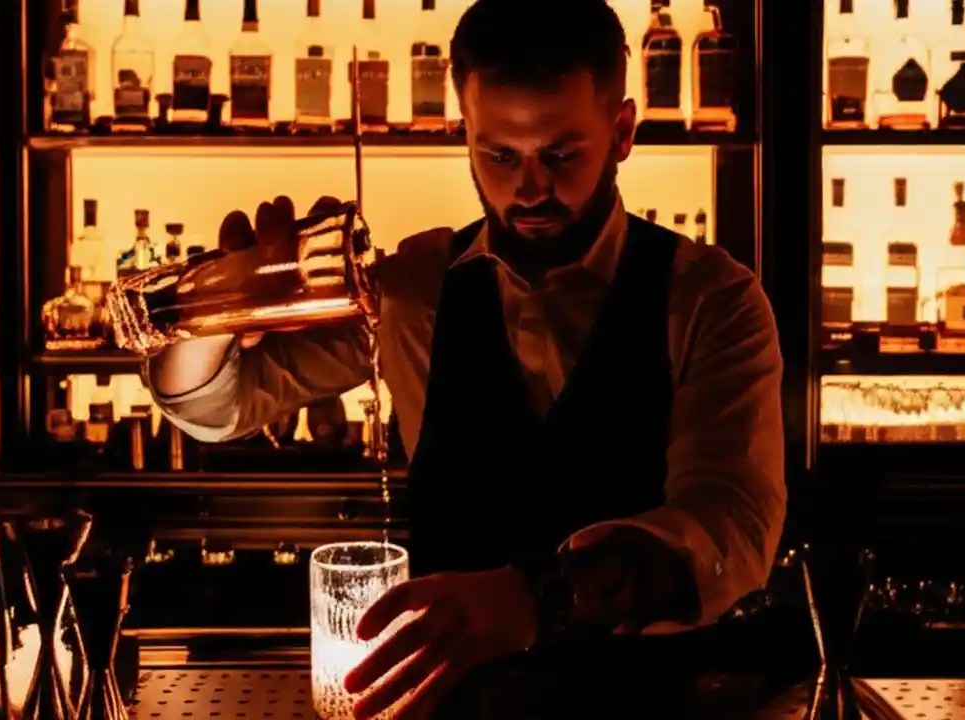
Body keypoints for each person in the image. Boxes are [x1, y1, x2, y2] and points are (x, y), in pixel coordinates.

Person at [145, 0, 785, 717]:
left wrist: (536, 598)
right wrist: (216, 308)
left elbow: (731, 529)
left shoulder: (710, 300)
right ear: (466, 134)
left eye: (561, 155)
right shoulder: (418, 288)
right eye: (500, 156)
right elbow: (215, 407)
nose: (530, 188)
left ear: (623, 131)